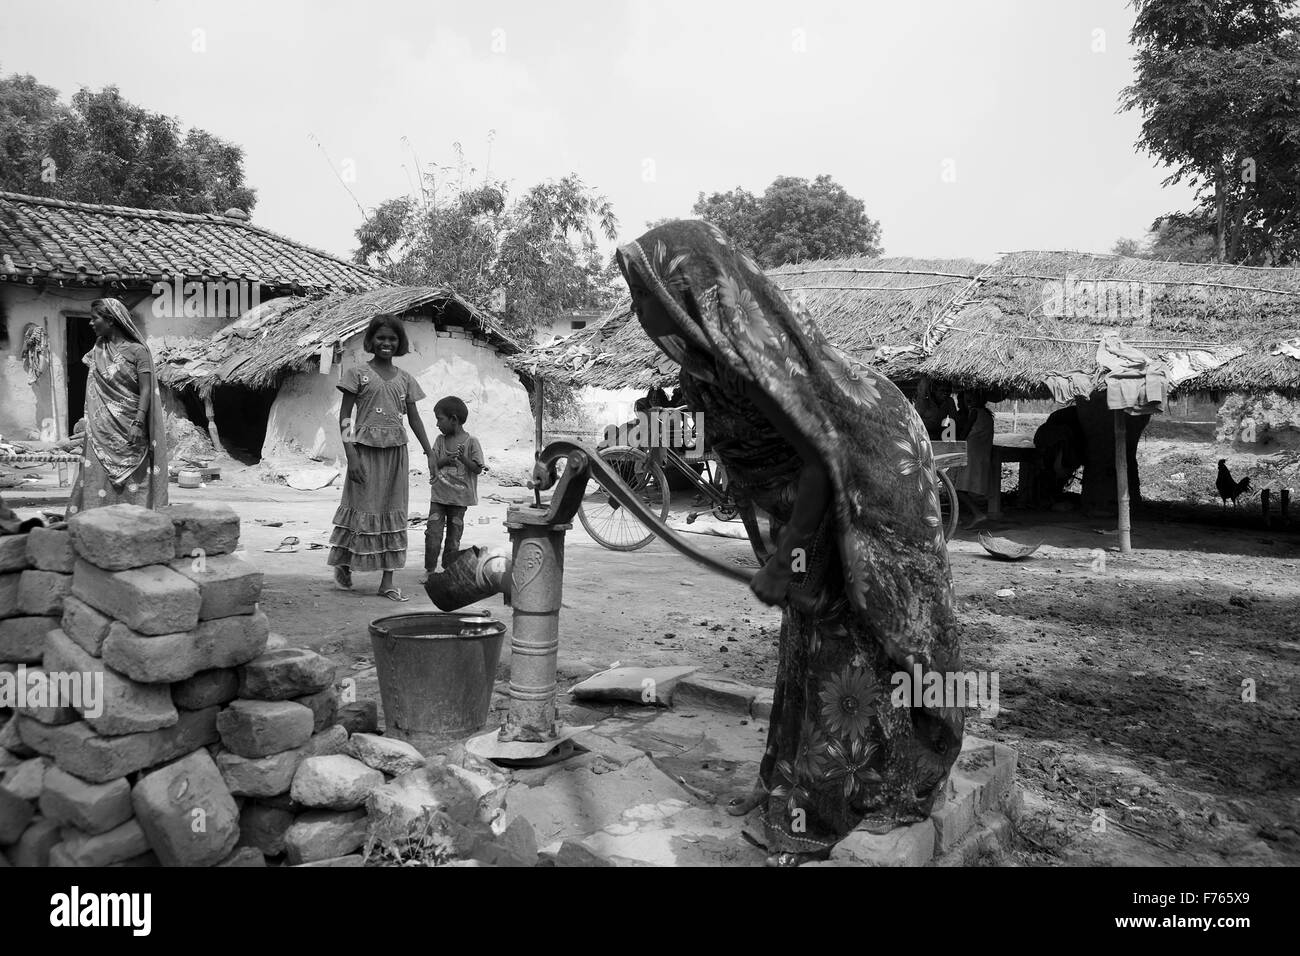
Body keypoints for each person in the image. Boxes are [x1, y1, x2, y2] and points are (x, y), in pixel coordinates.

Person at [616, 221, 963, 866]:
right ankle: (787, 781)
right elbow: (757, 466)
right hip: (822, 489)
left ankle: (855, 797)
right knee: (808, 633)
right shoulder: (707, 363)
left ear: (691, 293)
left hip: (871, 480)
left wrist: (784, 559)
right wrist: (781, 553)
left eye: (647, 296)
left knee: (860, 636)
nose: (638, 312)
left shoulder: (753, 365)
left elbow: (816, 459)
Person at [328, 315, 432, 601]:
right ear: (371, 341)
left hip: (396, 454)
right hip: (364, 452)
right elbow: (345, 416)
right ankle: (345, 564)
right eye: (381, 338)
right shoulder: (357, 374)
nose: (387, 343)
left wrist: (430, 451)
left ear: (400, 344)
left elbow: (415, 419)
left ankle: (387, 581)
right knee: (360, 507)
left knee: (392, 510)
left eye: (392, 339)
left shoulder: (406, 380)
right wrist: (351, 454)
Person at [66, 298, 169, 517]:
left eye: (95, 319)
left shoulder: (138, 351)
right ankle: (93, 525)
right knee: (97, 477)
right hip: (100, 428)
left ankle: (136, 523)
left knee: (135, 481)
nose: (90, 323)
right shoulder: (97, 351)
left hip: (131, 427)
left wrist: (138, 422)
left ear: (111, 320)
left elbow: (147, 390)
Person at [424, 396, 485, 576]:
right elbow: (432, 463)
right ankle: (430, 570)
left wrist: (464, 459)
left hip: (459, 501)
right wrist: (445, 460)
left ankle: (448, 570)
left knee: (453, 537)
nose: (437, 424)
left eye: (439, 419)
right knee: (433, 535)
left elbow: (478, 469)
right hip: (439, 498)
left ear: (454, 420)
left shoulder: (471, 442)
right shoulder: (439, 441)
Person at [953, 390, 994, 528]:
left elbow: (964, 434)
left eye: (973, 396)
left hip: (971, 454)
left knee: (957, 488)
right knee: (961, 487)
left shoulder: (974, 412)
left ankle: (977, 514)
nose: (969, 399)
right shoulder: (987, 414)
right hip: (980, 455)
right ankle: (964, 515)